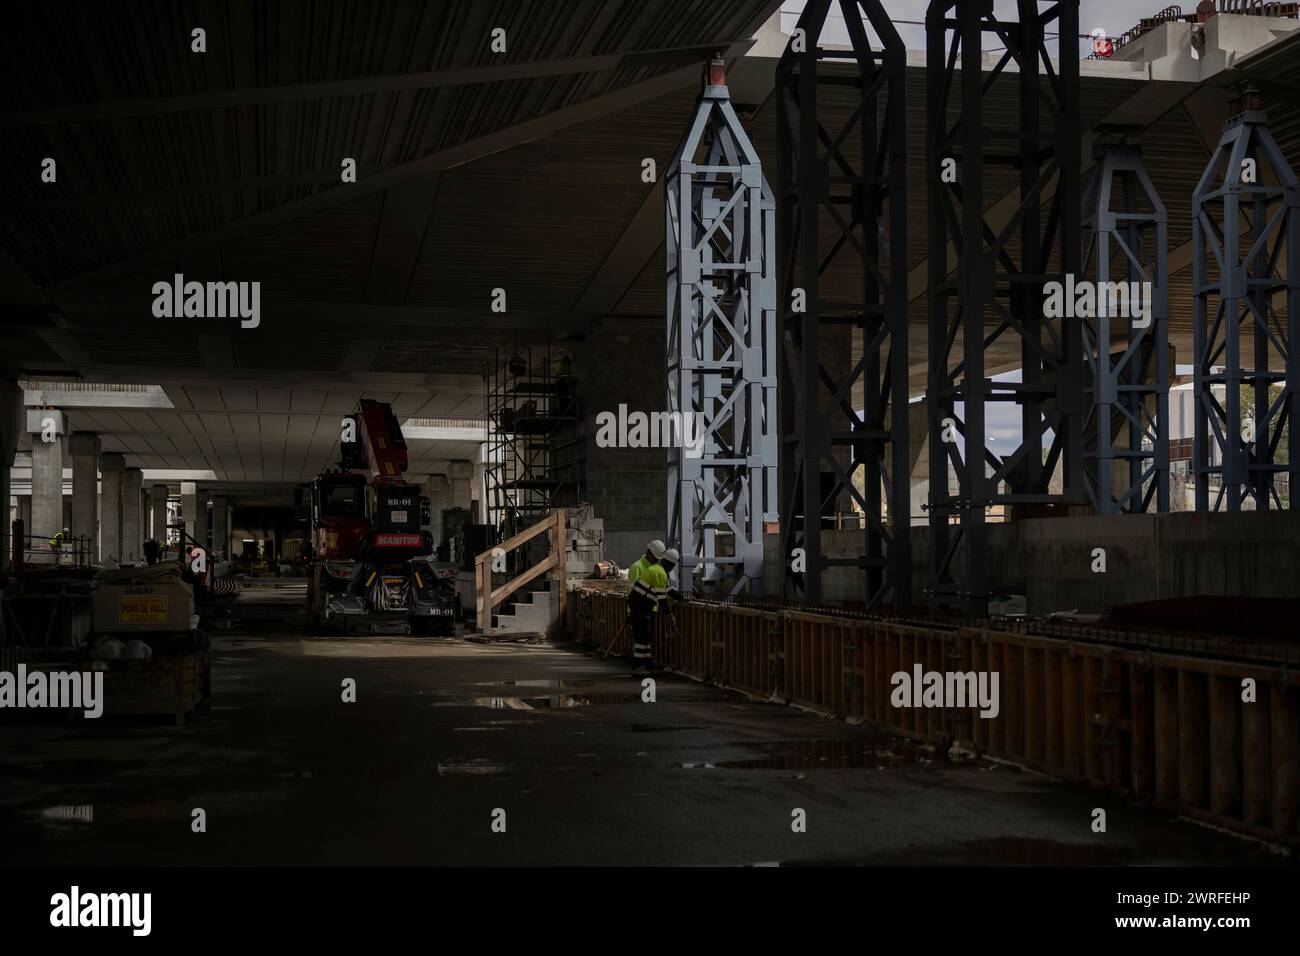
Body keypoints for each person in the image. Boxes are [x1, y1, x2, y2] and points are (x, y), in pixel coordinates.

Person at [627, 546, 682, 674]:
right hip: (641, 609)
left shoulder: (656, 570)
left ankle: (647, 665)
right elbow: (662, 598)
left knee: (645, 638)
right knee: (642, 639)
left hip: (639, 608)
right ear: (670, 564)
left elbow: (667, 589)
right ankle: (638, 667)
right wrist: (670, 616)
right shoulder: (660, 573)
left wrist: (682, 598)